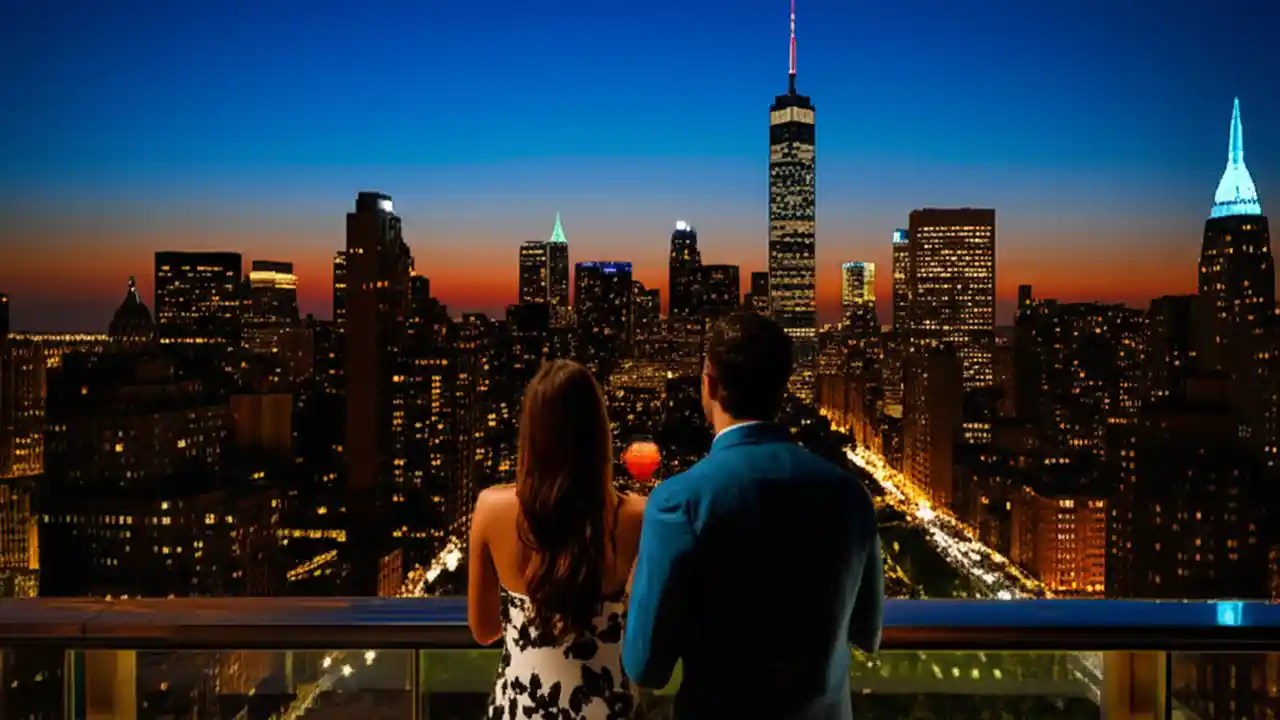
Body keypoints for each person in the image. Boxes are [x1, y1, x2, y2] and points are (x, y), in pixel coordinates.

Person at [623, 312, 883, 719]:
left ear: (708, 383)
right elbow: (867, 631)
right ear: (783, 386)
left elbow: (646, 667)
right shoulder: (850, 495)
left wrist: (639, 587)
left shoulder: (678, 502)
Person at [468, 359, 647, 719]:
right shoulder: (637, 517)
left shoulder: (490, 509)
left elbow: (484, 628)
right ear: (599, 433)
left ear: (531, 432)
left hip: (521, 709)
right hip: (606, 708)